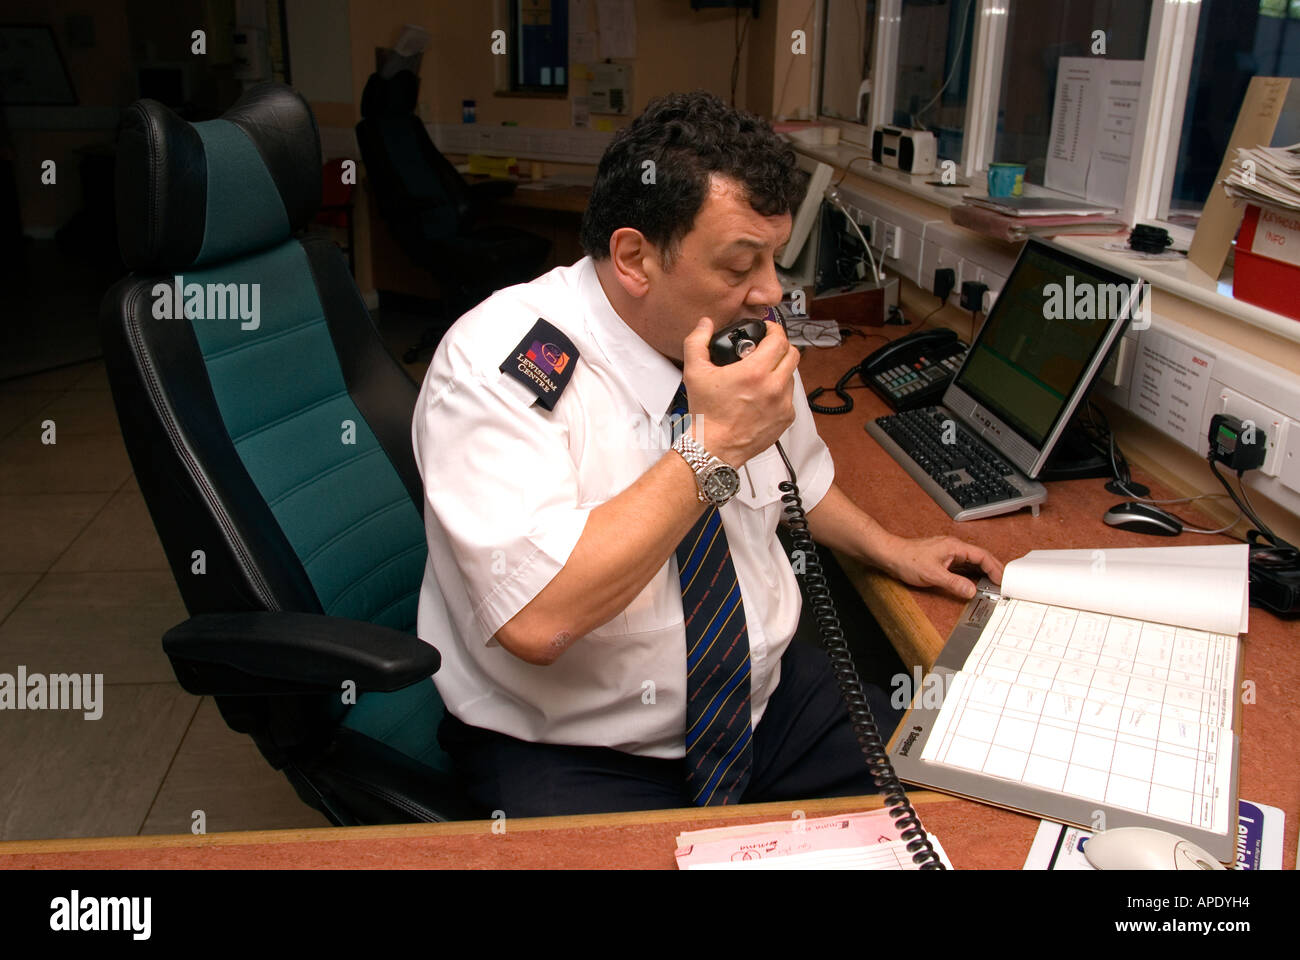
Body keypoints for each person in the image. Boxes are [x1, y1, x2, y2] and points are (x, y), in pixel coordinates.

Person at [412, 91, 1002, 817]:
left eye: (776, 260)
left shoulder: (732, 341)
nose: (771, 294)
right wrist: (711, 447)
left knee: (975, 798)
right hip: (578, 746)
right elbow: (537, 621)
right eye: (739, 265)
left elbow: (798, 480)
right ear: (634, 257)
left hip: (765, 704)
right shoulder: (498, 363)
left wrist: (891, 547)